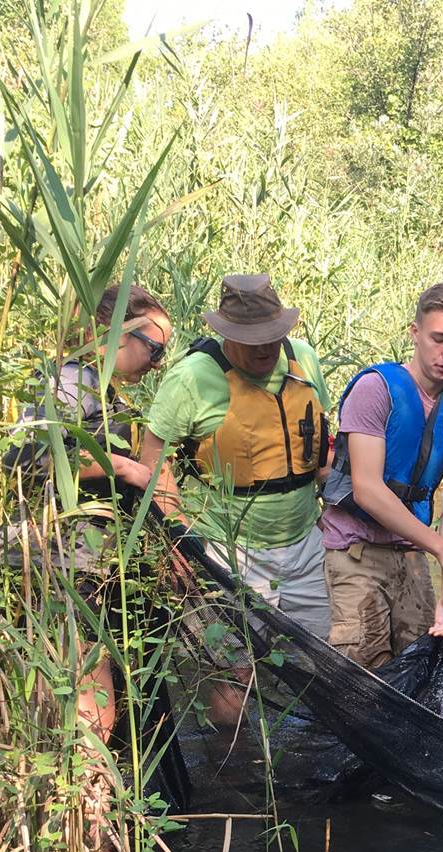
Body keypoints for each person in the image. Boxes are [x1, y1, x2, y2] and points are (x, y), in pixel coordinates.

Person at [140, 273, 331, 725]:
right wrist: (180, 543)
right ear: (226, 334)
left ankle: (313, 769)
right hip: (226, 551)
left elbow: (322, 445)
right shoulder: (191, 378)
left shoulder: (303, 360)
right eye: (252, 341)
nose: (266, 349)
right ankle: (234, 774)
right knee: (234, 672)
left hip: (305, 543)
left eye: (273, 337)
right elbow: (153, 462)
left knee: (320, 666)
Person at [1, 282, 173, 744]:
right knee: (89, 697)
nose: (156, 364)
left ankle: (93, 801)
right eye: (153, 348)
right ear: (112, 330)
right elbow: (30, 456)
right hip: (55, 557)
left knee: (90, 691)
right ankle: (90, 804)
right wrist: (127, 469)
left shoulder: (100, 388)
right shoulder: (72, 381)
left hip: (83, 558)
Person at [321, 282, 443, 669]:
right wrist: (441, 549)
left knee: (417, 662)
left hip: (411, 555)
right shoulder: (376, 390)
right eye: (438, 339)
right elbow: (368, 490)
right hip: (355, 551)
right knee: (363, 668)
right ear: (415, 333)